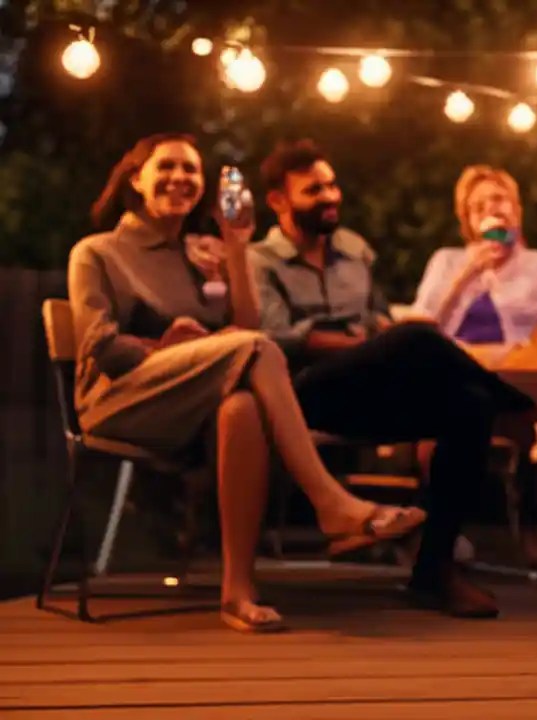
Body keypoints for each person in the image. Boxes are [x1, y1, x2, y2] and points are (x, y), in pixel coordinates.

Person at [68, 134, 425, 633]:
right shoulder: (98, 252)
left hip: (189, 398)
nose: (180, 178)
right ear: (136, 179)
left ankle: (236, 591)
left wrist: (236, 246)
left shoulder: (198, 255)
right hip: (119, 399)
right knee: (255, 350)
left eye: (192, 171)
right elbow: (98, 347)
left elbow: (245, 324)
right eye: (166, 167)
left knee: (242, 407)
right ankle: (331, 503)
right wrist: (161, 347)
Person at [249, 140, 537, 618]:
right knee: (417, 337)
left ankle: (435, 570)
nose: (329, 196)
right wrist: (359, 342)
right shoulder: (259, 260)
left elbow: (379, 321)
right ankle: (519, 411)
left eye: (331, 185)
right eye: (313, 190)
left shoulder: (353, 253)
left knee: (468, 403)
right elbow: (274, 339)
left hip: (362, 394)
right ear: (279, 202)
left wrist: (374, 340)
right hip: (296, 395)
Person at [411, 165, 537, 351]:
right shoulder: (445, 261)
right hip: (454, 368)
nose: (490, 209)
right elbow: (417, 329)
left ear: (516, 209)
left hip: (517, 371)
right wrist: (465, 275)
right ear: (468, 222)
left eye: (498, 199)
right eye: (478, 207)